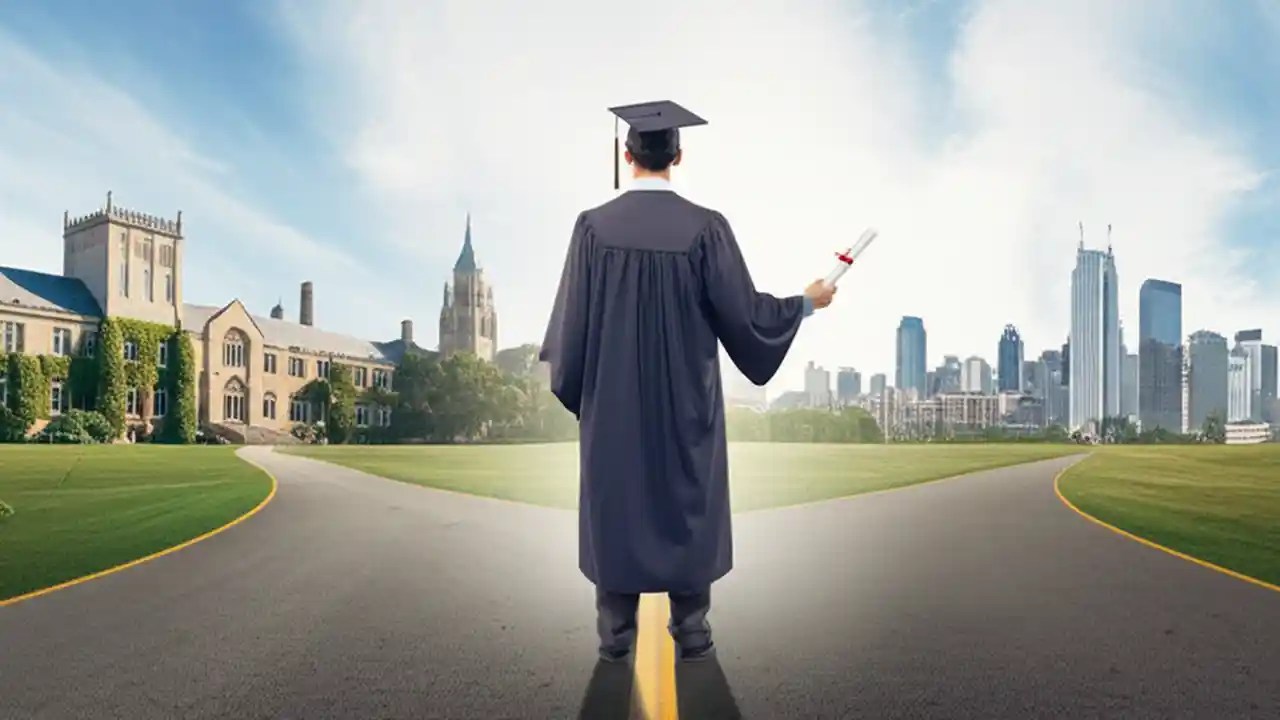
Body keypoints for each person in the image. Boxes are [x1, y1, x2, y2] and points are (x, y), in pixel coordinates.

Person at [539, 100, 837, 664]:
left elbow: (570, 330)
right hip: (686, 409)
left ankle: (615, 636)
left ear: (628, 156)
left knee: (619, 503)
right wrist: (806, 303)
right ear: (679, 155)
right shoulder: (707, 228)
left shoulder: (592, 228)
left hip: (615, 411)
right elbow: (745, 317)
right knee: (686, 502)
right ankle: (693, 630)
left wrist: (591, 398)